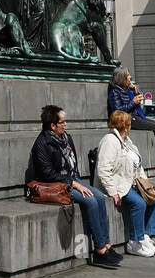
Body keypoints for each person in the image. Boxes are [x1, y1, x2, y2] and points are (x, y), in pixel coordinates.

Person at [27, 105, 121, 268]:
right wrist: (74, 184)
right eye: (62, 122)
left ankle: (106, 244)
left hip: (71, 180)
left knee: (99, 196)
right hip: (55, 186)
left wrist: (75, 181)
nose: (66, 124)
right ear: (52, 125)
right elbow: (47, 174)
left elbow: (73, 164)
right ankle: (99, 250)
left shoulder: (66, 138)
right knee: (91, 201)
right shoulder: (41, 144)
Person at [95, 110, 155, 258]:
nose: (131, 126)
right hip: (118, 184)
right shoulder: (110, 141)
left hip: (132, 182)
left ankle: (145, 236)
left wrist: (146, 184)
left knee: (154, 198)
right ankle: (134, 242)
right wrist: (113, 192)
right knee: (139, 203)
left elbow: (138, 164)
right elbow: (103, 170)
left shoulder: (127, 141)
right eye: (130, 123)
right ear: (125, 126)